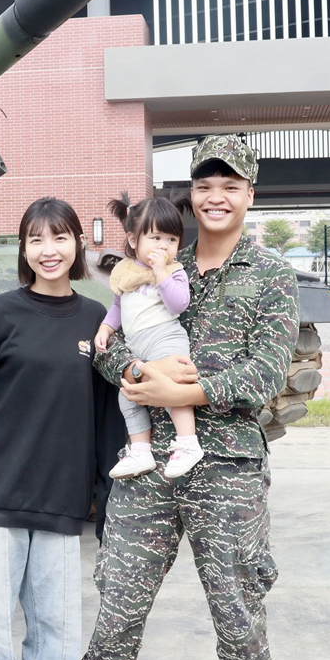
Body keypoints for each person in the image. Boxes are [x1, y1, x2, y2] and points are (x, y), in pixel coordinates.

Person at [77, 136, 299, 660]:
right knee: (116, 607)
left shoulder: (271, 275)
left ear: (250, 194)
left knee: (238, 608)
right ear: (191, 195)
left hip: (227, 467)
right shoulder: (158, 257)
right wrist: (132, 369)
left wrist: (180, 392)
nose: (216, 197)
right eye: (205, 186)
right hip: (145, 465)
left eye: (230, 186)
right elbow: (107, 346)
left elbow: (266, 373)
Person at [0, 196, 124, 660]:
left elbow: (107, 418)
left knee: (58, 636)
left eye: (60, 237)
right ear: (24, 248)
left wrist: (107, 500)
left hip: (61, 498)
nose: (49, 250)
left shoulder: (97, 318)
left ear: (77, 243)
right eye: (36, 239)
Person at [95, 193, 203, 480]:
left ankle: (188, 443)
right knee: (128, 396)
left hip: (164, 339)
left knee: (172, 392)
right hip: (136, 345)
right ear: (133, 241)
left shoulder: (174, 271)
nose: (164, 246)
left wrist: (160, 274)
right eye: (155, 238)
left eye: (171, 239)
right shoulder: (125, 273)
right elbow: (118, 306)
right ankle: (140, 450)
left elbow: (178, 304)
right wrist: (106, 328)